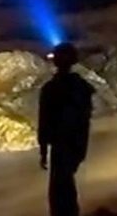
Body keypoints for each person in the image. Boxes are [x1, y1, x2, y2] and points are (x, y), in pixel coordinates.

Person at [38, 42, 95, 216]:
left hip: (62, 142)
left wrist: (43, 148)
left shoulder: (51, 89)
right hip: (74, 141)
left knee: (59, 186)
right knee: (65, 183)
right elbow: (85, 116)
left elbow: (45, 120)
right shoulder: (81, 87)